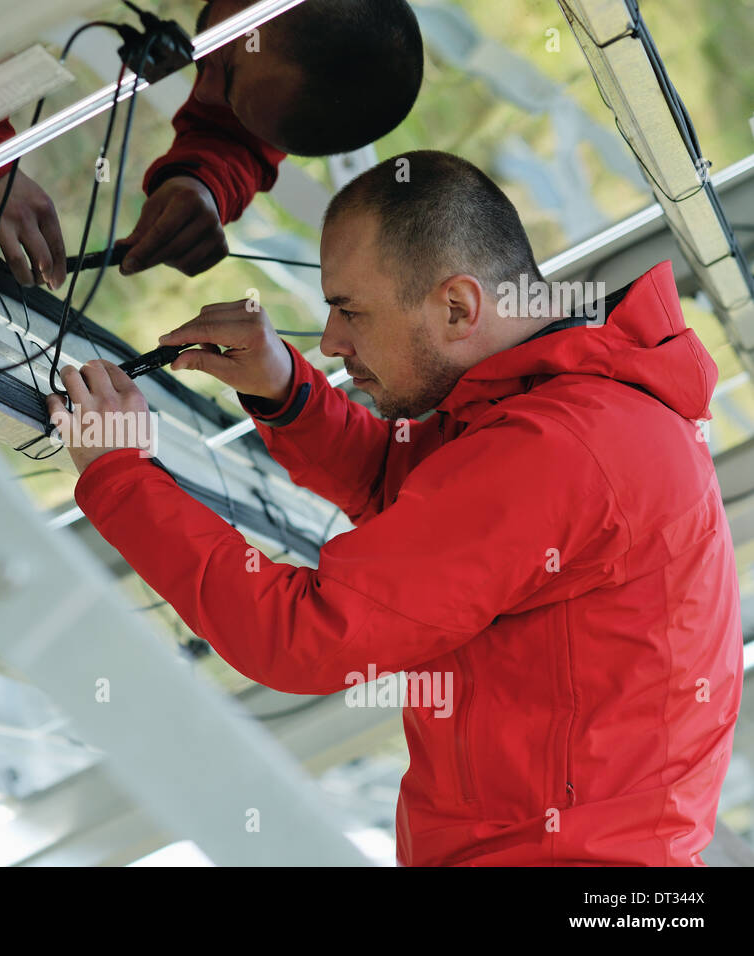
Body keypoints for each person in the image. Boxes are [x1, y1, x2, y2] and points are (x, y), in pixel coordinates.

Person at [46, 150, 743, 866]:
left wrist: (118, 472)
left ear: (457, 305)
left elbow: (300, 635)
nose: (332, 342)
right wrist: (285, 390)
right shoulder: (554, 404)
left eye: (351, 311)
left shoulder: (565, 447)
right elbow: (416, 488)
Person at [0, 0, 423, 287]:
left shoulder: (272, 51)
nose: (200, 91)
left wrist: (203, 183)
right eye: (229, 66)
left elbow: (241, 138)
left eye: (235, 100)